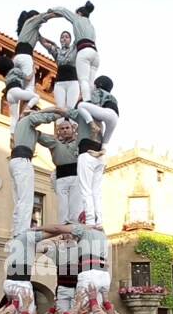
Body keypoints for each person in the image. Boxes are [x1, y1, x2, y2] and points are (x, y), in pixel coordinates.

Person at [7, 108, 65, 238]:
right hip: (23, 160)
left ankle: (16, 231)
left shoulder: (24, 128)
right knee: (26, 200)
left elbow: (46, 139)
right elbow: (43, 118)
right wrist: (60, 114)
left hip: (15, 161)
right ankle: (22, 232)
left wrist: (59, 139)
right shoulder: (28, 120)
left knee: (19, 199)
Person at [49, 2, 99, 102]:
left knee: (83, 80)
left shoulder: (77, 18)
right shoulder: (91, 25)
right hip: (95, 54)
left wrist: (51, 10)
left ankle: (87, 102)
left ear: (79, 13)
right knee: (90, 83)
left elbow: (63, 10)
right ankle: (92, 101)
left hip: (84, 51)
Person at [37, 119, 80, 225]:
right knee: (62, 208)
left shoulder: (78, 142)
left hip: (76, 177)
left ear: (72, 129)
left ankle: (74, 228)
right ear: (58, 131)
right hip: (61, 178)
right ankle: (63, 228)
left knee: (75, 208)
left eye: (67, 128)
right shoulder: (54, 142)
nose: (65, 130)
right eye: (62, 128)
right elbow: (38, 135)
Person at [40, 30, 79, 111]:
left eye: (67, 37)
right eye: (62, 37)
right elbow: (44, 42)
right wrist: (52, 42)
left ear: (70, 40)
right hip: (60, 82)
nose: (64, 38)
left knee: (70, 109)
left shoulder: (74, 49)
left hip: (72, 82)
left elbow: (79, 35)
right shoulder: (57, 51)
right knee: (60, 108)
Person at [76, 76, 119, 146]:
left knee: (81, 105)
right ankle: (103, 150)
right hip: (115, 117)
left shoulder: (98, 91)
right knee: (105, 142)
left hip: (107, 113)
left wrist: (82, 99)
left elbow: (96, 103)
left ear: (98, 84)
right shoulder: (110, 96)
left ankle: (93, 125)